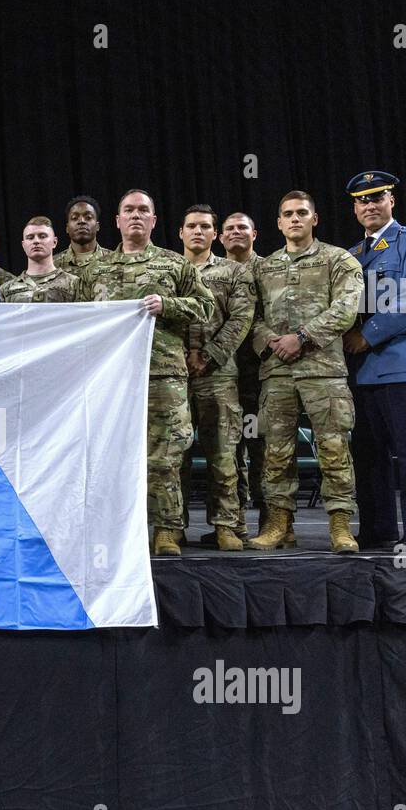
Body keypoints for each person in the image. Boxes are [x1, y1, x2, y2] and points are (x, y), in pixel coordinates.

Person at [76, 189, 216, 556]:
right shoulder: (94, 271)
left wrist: (167, 305)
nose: (135, 216)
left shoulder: (174, 265)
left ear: (153, 221)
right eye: (128, 210)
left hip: (162, 375)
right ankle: (122, 529)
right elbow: (75, 323)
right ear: (117, 221)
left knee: (166, 456)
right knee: (110, 455)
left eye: (143, 211)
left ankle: (168, 530)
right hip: (110, 379)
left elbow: (205, 308)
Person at [248, 191, 364, 553]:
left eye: (302, 213)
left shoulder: (338, 260)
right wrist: (271, 341)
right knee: (276, 451)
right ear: (279, 223)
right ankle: (279, 526)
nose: (295, 219)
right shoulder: (263, 267)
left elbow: (346, 309)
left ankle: (341, 525)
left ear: (315, 219)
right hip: (277, 372)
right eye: (288, 214)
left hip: (324, 372)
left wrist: (301, 338)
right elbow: (250, 317)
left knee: (333, 449)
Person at [342, 171, 406, 550]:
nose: (369, 205)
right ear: (354, 208)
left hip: (402, 362)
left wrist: (367, 335)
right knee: (368, 457)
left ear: (391, 201)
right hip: (360, 370)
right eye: (362, 200)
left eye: (377, 198)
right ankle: (377, 529)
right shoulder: (350, 255)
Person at [178, 204, 255, 550]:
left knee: (223, 455)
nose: (198, 231)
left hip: (219, 376)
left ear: (215, 234)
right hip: (174, 376)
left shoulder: (234, 272)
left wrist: (208, 356)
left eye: (205, 226)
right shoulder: (167, 269)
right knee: (172, 456)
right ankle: (171, 526)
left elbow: (241, 320)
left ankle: (225, 525)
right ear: (181, 232)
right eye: (191, 226)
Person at [221, 211, 266, 523]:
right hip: (222, 373)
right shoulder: (210, 271)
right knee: (227, 451)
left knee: (263, 448)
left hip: (260, 375)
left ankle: (270, 522)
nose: (236, 232)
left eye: (242, 227)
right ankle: (233, 522)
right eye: (230, 229)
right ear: (220, 237)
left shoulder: (269, 269)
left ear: (254, 234)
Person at [0, 217, 80, 302]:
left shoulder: (74, 284)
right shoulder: (5, 290)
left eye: (42, 236)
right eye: (30, 237)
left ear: (54, 242)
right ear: (23, 245)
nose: (36, 241)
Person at [53, 196, 112, 274]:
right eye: (74, 218)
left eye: (88, 217)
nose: (81, 221)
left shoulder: (114, 260)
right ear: (67, 228)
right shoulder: (53, 265)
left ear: (97, 226)